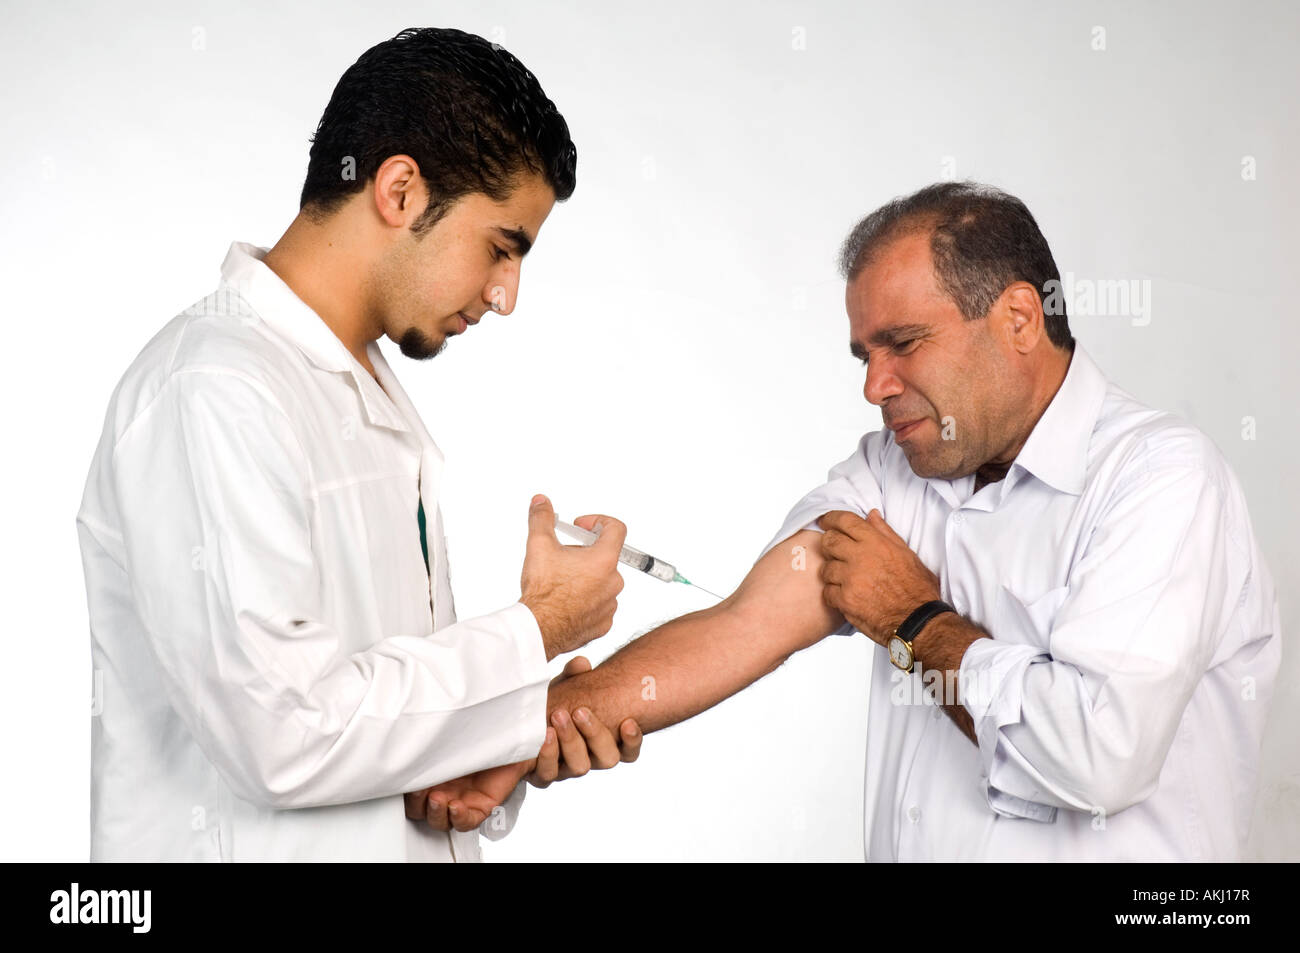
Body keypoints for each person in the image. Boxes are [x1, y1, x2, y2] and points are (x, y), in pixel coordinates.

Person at [418, 182, 1283, 861]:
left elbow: (1099, 756)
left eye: (903, 344)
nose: (874, 386)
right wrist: (532, 722)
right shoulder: (895, 467)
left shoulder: (1160, 480)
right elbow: (745, 625)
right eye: (864, 355)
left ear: (1018, 317)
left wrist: (914, 623)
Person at [76, 26, 640, 863]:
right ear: (401, 189)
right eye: (501, 247)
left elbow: (383, 735)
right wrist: (534, 634)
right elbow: (281, 735)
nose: (505, 294)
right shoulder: (214, 388)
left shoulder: (353, 388)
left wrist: (510, 731)